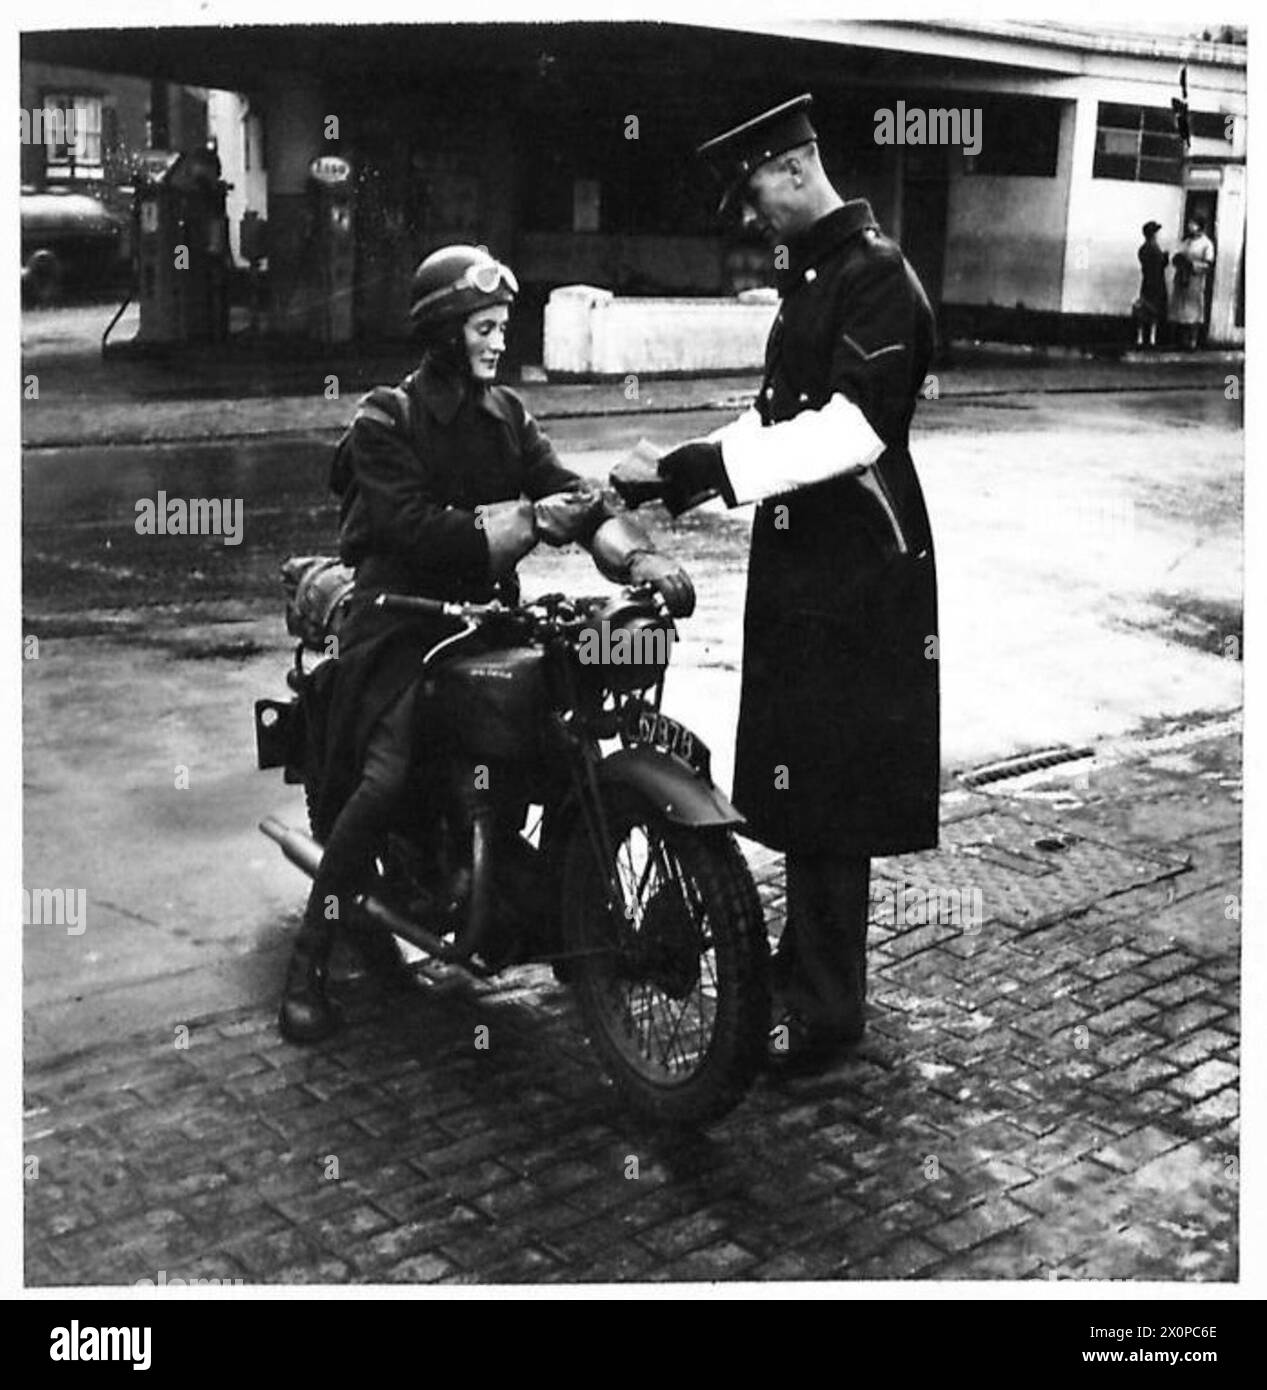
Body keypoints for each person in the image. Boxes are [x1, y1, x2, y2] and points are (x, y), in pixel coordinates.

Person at [279, 244, 695, 1043]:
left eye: (502, 326)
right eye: (483, 327)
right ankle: (310, 959)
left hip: (484, 619)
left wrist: (637, 554)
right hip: (399, 621)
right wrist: (530, 524)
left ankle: (563, 912)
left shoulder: (506, 415)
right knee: (384, 775)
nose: (498, 341)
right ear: (442, 333)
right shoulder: (383, 419)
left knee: (556, 730)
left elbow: (565, 491)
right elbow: (410, 529)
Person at [614, 94, 939, 1073]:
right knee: (803, 776)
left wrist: (707, 473)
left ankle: (825, 1011)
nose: (751, 216)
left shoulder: (877, 280)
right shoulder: (817, 279)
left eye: (755, 190)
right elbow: (772, 424)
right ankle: (803, 975)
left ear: (796, 168)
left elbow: (847, 432)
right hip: (809, 564)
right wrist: (678, 468)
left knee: (835, 787)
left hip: (859, 573)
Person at [1170, 215, 1215, 351]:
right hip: (1182, 279)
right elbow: (1177, 254)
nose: (1191, 227)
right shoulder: (1187, 241)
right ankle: (1181, 341)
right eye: (1190, 224)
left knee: (1194, 311)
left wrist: (1193, 265)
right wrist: (1178, 261)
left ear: (1200, 226)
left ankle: (1193, 341)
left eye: (1193, 224)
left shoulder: (1206, 243)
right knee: (1181, 309)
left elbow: (1208, 263)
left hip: (1195, 280)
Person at [1134, 220, 1168, 349]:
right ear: (1153, 234)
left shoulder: (1143, 248)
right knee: (1154, 309)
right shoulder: (1154, 248)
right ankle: (1152, 337)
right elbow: (1159, 266)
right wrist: (1165, 258)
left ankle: (1141, 337)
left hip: (1147, 281)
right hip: (1156, 282)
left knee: (1145, 309)